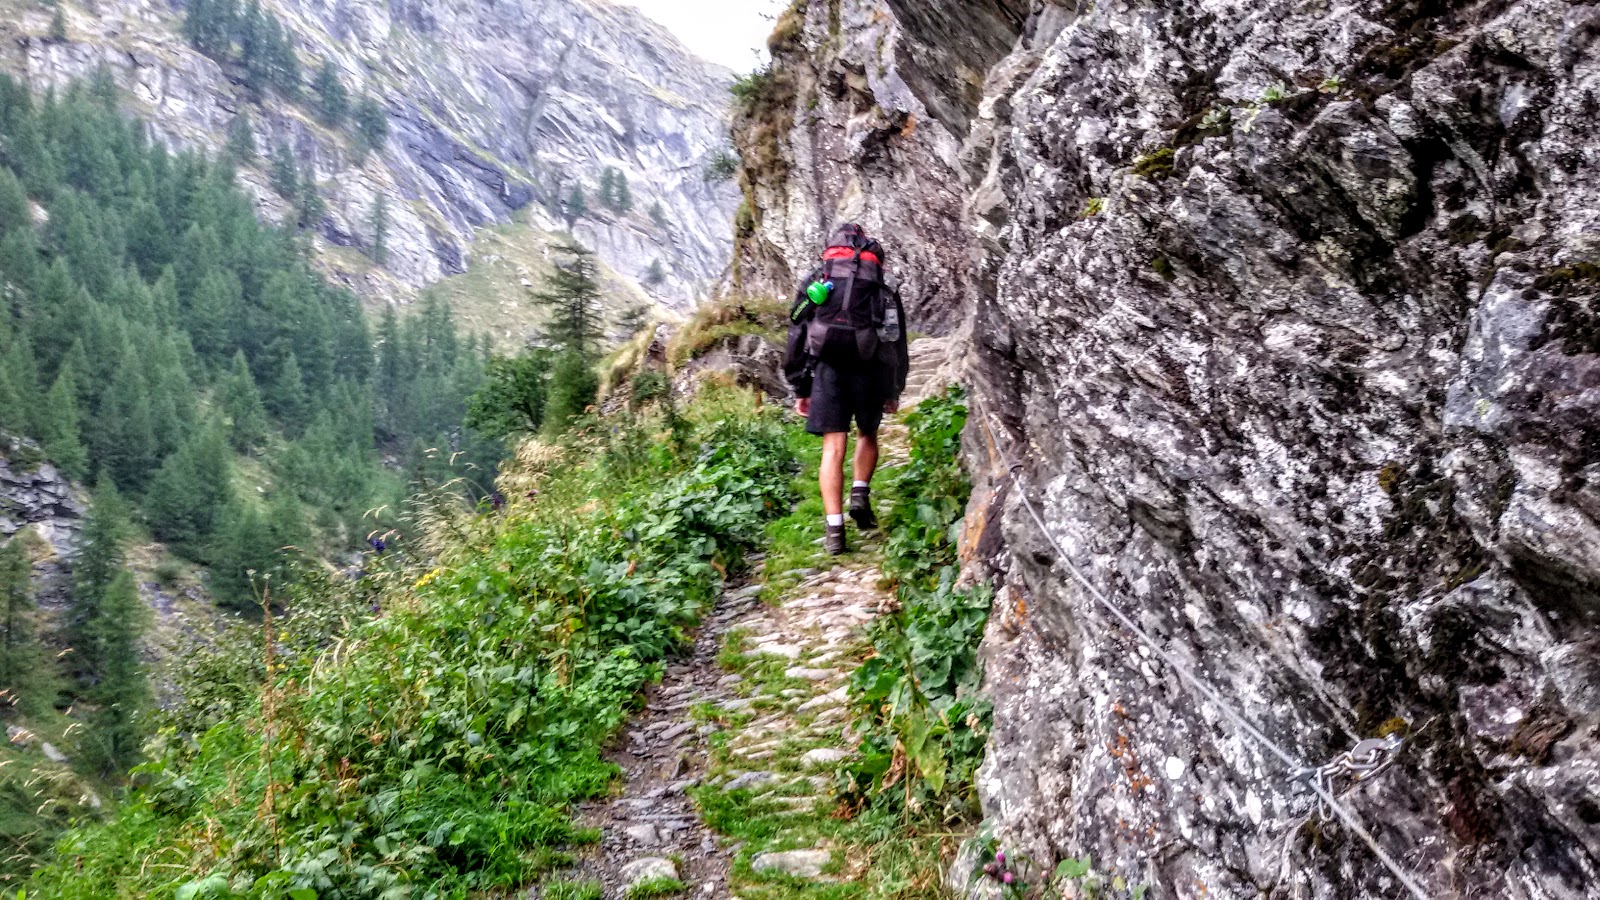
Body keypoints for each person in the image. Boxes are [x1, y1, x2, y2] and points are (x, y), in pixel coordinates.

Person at [783, 223, 909, 555]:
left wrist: (800, 385)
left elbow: (797, 328)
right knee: (868, 433)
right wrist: (894, 387)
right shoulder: (882, 283)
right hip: (870, 367)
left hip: (828, 370)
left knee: (832, 448)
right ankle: (860, 493)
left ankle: (835, 531)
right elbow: (896, 336)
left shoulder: (817, 279)